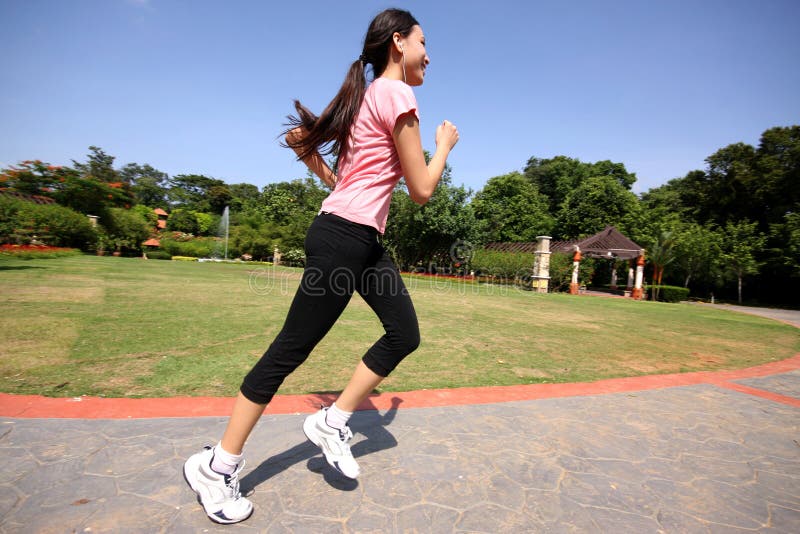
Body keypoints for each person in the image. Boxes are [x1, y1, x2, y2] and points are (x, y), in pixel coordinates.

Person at [183, 8, 459, 524]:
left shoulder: (364, 98)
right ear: (398, 43)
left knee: (404, 333)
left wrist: (312, 157)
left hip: (364, 240)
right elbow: (422, 191)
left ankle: (333, 421)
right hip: (342, 241)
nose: (430, 54)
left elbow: (341, 180)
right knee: (290, 349)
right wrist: (442, 147)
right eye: (424, 42)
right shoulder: (397, 94)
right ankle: (218, 467)